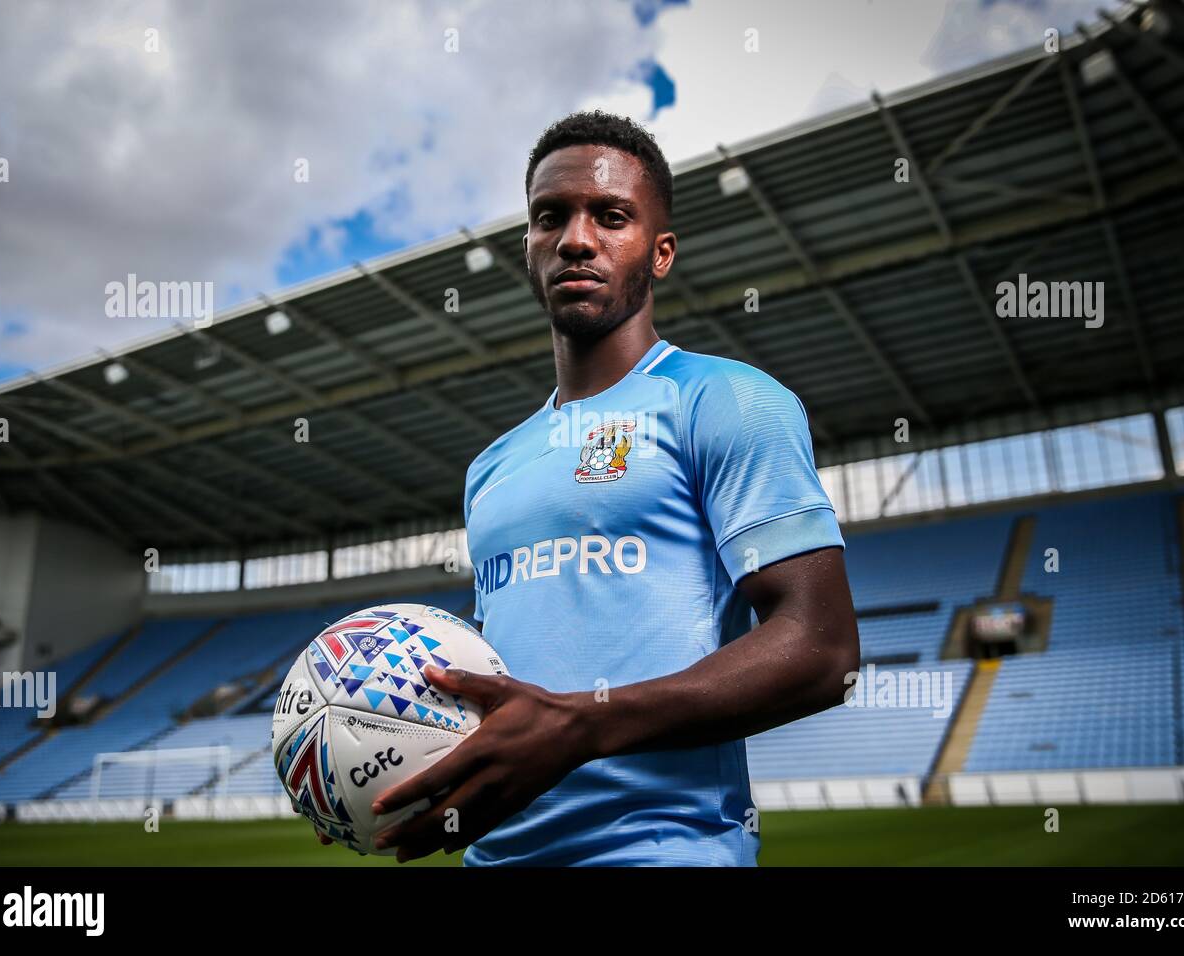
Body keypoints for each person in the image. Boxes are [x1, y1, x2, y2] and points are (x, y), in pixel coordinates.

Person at [366, 110, 859, 865]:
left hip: (665, 850)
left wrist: (583, 724)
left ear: (660, 253)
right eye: (549, 217)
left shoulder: (726, 399)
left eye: (612, 215)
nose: (575, 238)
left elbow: (822, 651)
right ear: (529, 249)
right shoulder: (491, 467)